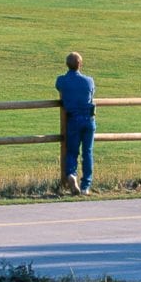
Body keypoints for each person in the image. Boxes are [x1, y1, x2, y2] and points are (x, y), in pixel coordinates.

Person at [56, 52, 96, 195]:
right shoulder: (89, 81)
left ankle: (71, 174)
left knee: (72, 151)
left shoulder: (62, 80)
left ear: (67, 65)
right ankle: (86, 186)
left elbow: (59, 88)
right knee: (88, 152)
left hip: (73, 119)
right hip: (88, 118)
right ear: (80, 64)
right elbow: (91, 95)